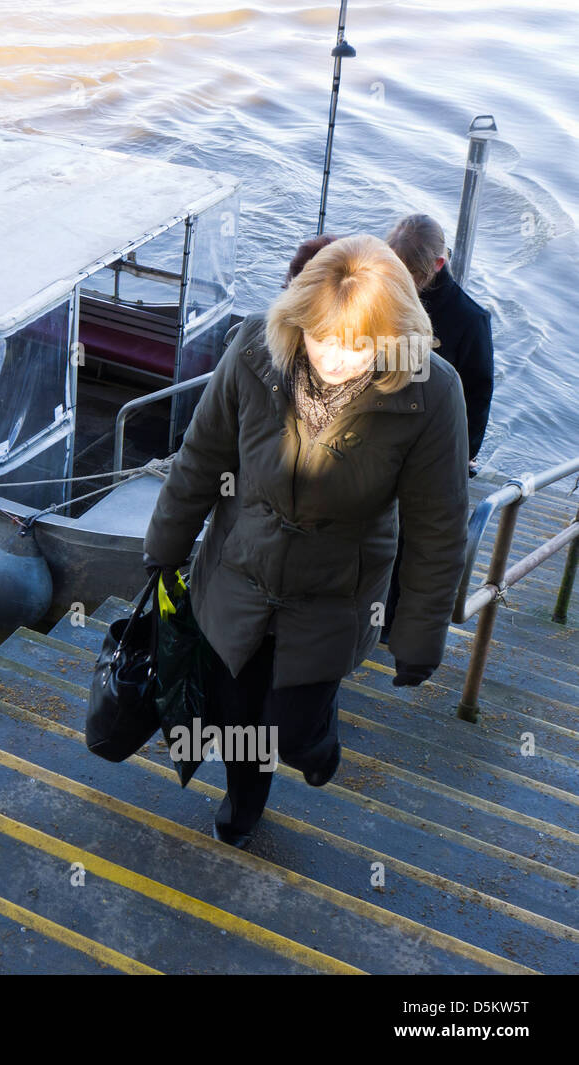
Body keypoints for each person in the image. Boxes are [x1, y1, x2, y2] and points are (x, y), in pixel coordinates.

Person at [142, 234, 469, 849]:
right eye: (322, 339)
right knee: (237, 720)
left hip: (333, 597)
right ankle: (244, 804)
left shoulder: (433, 393)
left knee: (291, 732)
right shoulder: (252, 348)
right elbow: (200, 458)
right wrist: (165, 547)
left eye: (356, 347)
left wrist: (419, 637)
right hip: (238, 575)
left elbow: (438, 529)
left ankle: (315, 742)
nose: (334, 359)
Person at [382, 214, 494, 640]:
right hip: (382, 438)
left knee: (413, 543)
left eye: (410, 275)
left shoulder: (469, 320)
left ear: (438, 266)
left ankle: (393, 626)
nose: (402, 285)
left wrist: (463, 456)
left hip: (433, 450)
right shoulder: (382, 297)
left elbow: (478, 395)